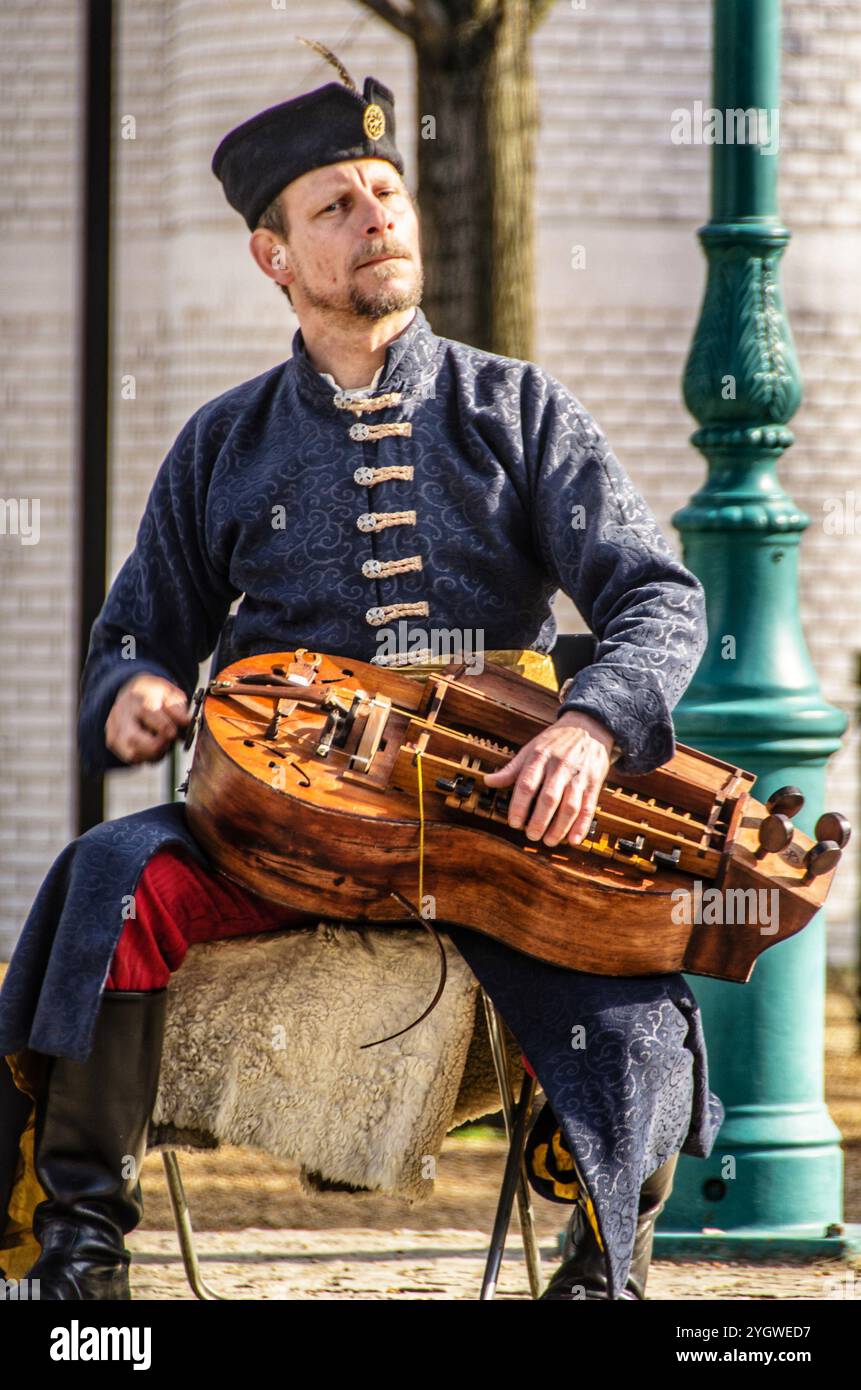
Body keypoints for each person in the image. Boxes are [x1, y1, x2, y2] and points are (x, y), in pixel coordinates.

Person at [0, 46, 724, 1302]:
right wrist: (132, 695)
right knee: (109, 875)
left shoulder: (517, 411)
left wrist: (594, 727)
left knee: (635, 955)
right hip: (278, 829)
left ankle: (606, 1265)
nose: (376, 217)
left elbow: (657, 596)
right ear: (274, 256)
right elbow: (137, 636)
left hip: (499, 821)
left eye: (384, 192)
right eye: (335, 204)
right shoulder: (223, 440)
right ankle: (78, 1255)